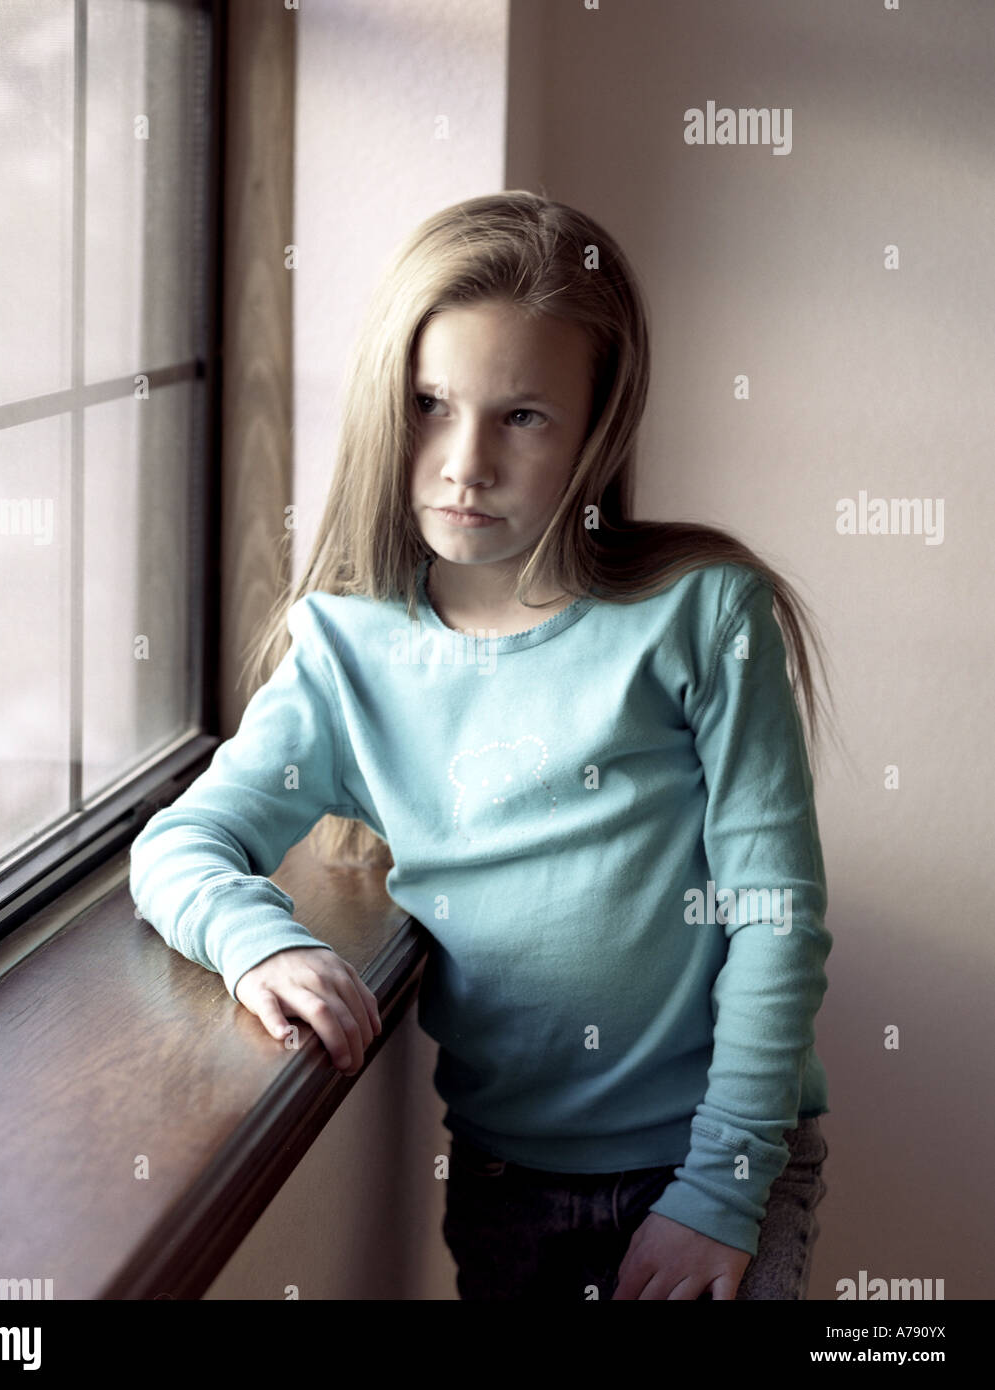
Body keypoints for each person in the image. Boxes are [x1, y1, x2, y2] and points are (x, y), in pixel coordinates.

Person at [128, 191, 843, 1301]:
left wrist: (717, 1191)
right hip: (510, 1187)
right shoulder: (344, 651)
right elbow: (180, 846)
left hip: (717, 1168)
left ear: (598, 426)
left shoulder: (706, 612)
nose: (464, 462)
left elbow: (775, 917)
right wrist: (259, 944)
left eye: (522, 416)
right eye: (429, 404)